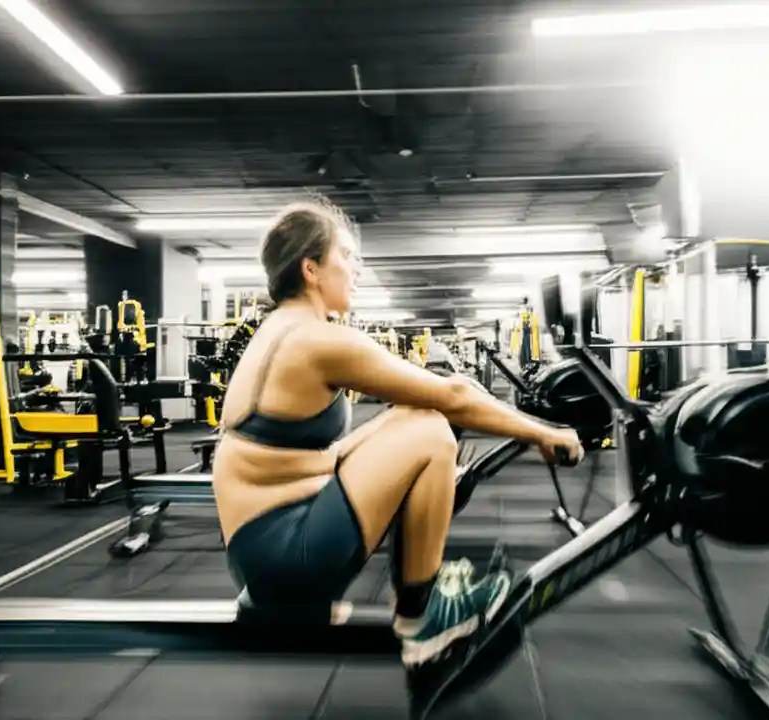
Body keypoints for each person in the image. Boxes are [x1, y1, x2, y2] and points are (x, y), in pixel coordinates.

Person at [212, 199, 584, 668]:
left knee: (412, 414)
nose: (357, 270)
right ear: (311, 269)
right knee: (431, 431)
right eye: (346, 256)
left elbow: (442, 394)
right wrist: (543, 433)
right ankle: (422, 618)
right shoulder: (319, 341)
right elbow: (453, 396)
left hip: (259, 553)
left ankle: (418, 588)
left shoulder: (281, 329)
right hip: (287, 559)